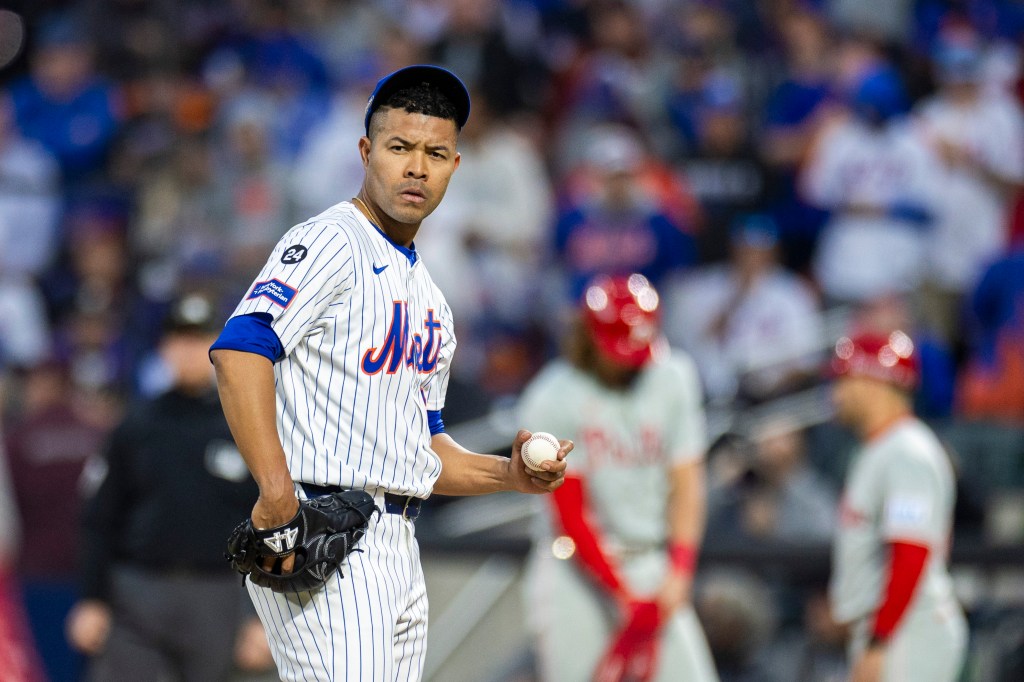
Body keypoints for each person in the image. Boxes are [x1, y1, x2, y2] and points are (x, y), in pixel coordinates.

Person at [208, 65, 570, 682]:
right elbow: (240, 352)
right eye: (400, 148)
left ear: (456, 165)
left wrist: (508, 475)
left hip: (398, 545)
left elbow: (424, 453)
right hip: (325, 525)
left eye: (435, 153)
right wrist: (276, 492)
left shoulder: (431, 297)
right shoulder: (330, 240)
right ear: (366, 151)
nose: (416, 168)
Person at [518, 273, 718, 682]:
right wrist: (624, 596)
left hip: (652, 562)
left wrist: (680, 570)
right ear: (589, 335)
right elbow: (570, 513)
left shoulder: (673, 376)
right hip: (574, 572)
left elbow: (687, 482)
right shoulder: (552, 395)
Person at [65, 292, 272, 681]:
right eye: (180, 339)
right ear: (164, 348)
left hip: (218, 595)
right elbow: (99, 517)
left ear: (217, 346)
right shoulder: (135, 426)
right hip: (139, 592)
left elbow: (266, 526)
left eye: (199, 339)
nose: (189, 351)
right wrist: (92, 599)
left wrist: (261, 616)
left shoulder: (244, 425)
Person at [828, 331, 967, 682]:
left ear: (875, 382)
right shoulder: (877, 448)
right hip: (891, 629)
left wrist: (879, 641)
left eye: (845, 380)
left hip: (908, 630)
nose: (837, 395)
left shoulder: (908, 453)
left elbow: (910, 552)